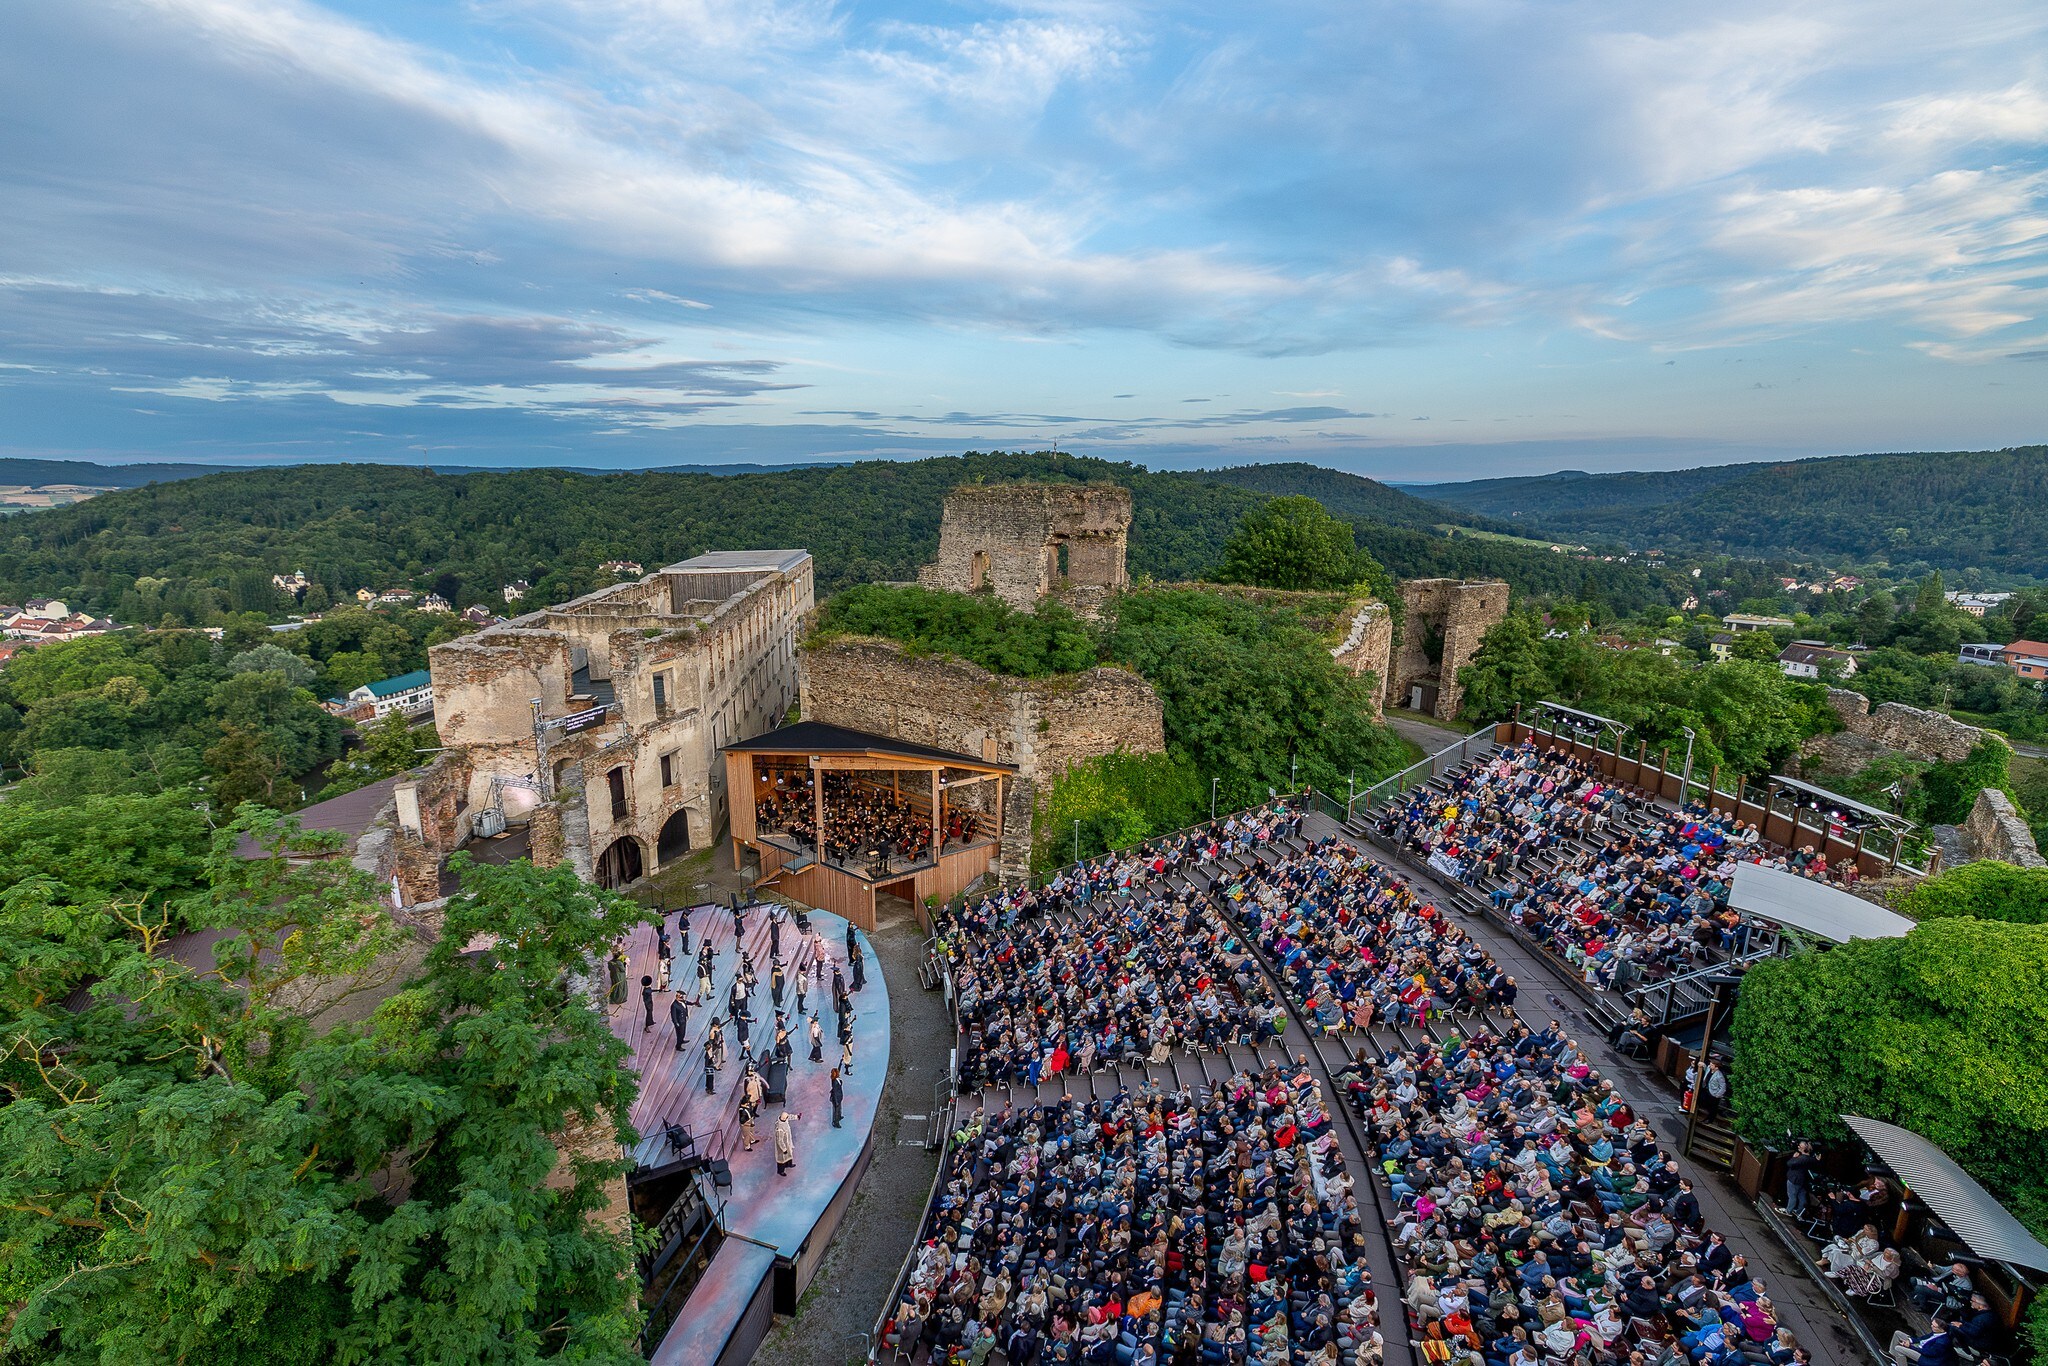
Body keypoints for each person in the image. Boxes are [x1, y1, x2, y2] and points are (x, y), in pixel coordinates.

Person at [1782, 1142, 1816, 1219]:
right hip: (1803, 1180)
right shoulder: (1811, 1159)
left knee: (1792, 1196)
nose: (1798, 1146)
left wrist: (1794, 1157)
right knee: (1802, 1197)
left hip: (1794, 1179)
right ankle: (1799, 1212)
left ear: (1804, 1149)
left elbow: (1789, 1163)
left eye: (1800, 1146)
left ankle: (1789, 1210)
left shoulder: (1801, 1158)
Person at [775, 1110, 800, 1176]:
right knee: (782, 1158)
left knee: (789, 1154)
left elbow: (789, 1117)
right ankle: (781, 1171)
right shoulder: (779, 1128)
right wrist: (784, 1149)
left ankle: (789, 1164)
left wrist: (796, 1117)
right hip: (783, 1144)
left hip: (787, 1141)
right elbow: (779, 1140)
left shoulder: (784, 1119)